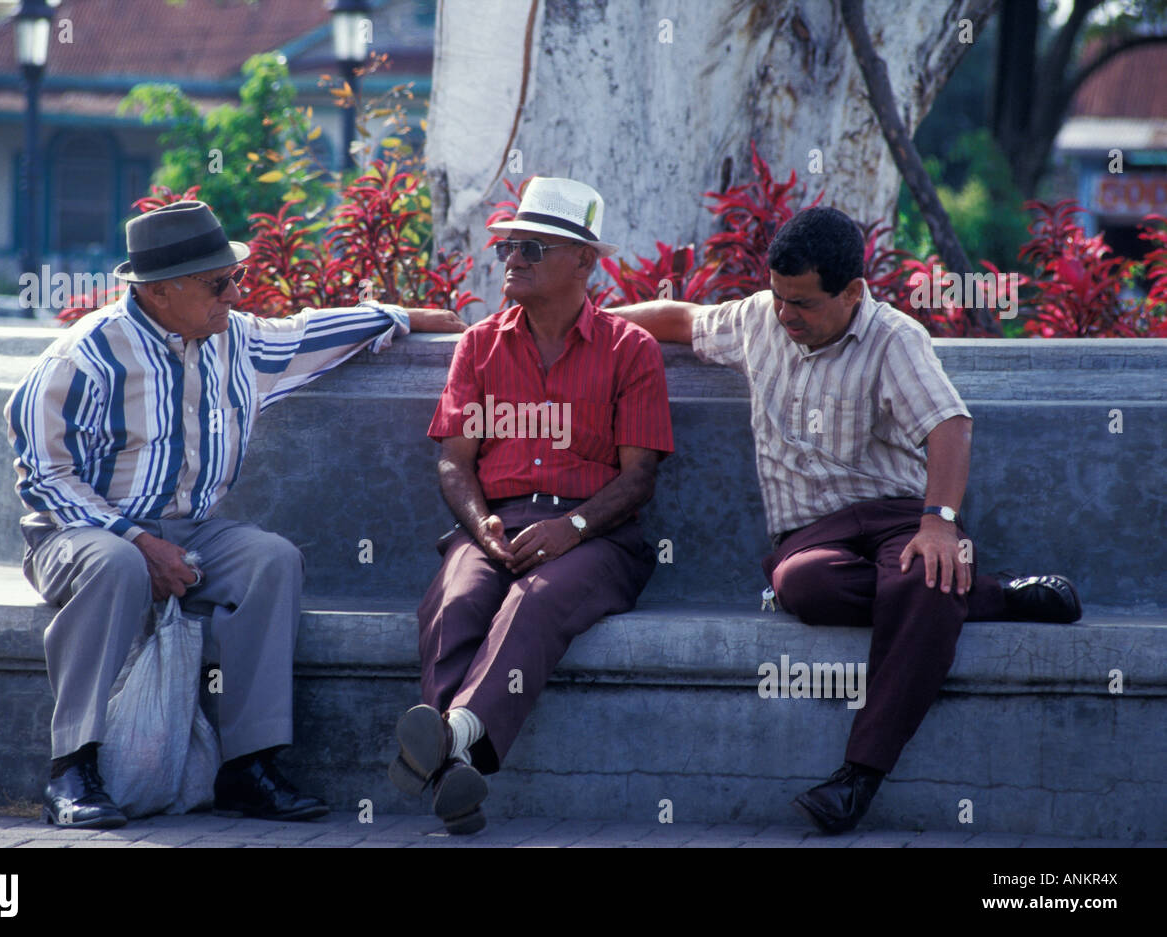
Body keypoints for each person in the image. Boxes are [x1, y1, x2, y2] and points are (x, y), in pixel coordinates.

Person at [610, 205, 1081, 835]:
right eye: (779, 297)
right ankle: (990, 593)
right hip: (810, 533)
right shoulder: (757, 320)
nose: (785, 314)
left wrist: (939, 524)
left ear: (852, 292)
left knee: (921, 576)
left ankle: (859, 775)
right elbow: (680, 319)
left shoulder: (895, 338)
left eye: (801, 303)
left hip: (897, 517)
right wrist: (584, 322)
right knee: (806, 586)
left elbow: (950, 425)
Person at [5, 200, 464, 829]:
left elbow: (311, 333)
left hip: (194, 532)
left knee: (270, 561)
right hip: (81, 533)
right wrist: (139, 541)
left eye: (235, 277)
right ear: (161, 292)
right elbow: (45, 478)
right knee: (117, 567)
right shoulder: (82, 358)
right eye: (219, 283)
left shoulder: (237, 340)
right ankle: (73, 768)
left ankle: (249, 767)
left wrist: (402, 316)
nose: (235, 293)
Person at [390, 177, 674, 834]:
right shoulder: (480, 344)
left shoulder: (631, 351)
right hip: (498, 524)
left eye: (531, 248)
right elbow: (453, 462)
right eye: (507, 248)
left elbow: (639, 480)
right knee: (455, 595)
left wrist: (571, 526)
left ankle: (450, 737)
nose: (511, 259)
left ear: (583, 261)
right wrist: (480, 522)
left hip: (598, 537)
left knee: (533, 600)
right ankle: (462, 769)